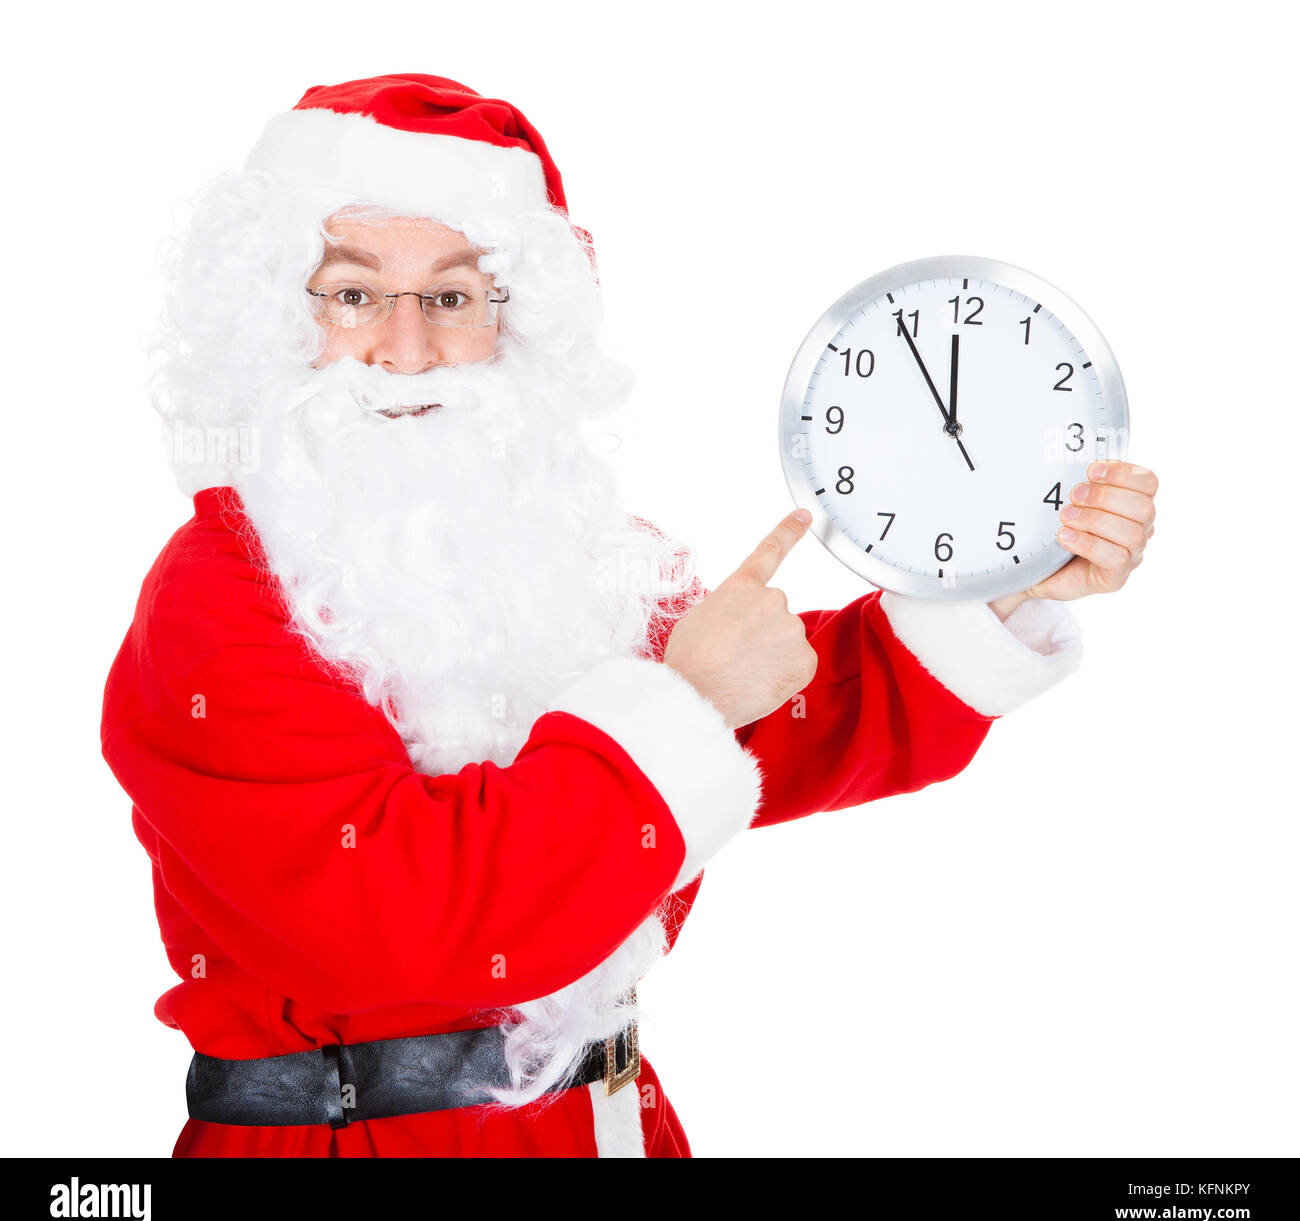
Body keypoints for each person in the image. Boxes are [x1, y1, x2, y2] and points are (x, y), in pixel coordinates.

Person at [100, 73, 1158, 1158]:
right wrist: (685, 697)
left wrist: (1006, 581)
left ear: (512, 328)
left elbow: (766, 723)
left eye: (454, 297)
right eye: (354, 293)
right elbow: (410, 922)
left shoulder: (551, 559)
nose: (404, 348)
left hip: (606, 1124)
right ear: (278, 312)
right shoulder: (216, 596)